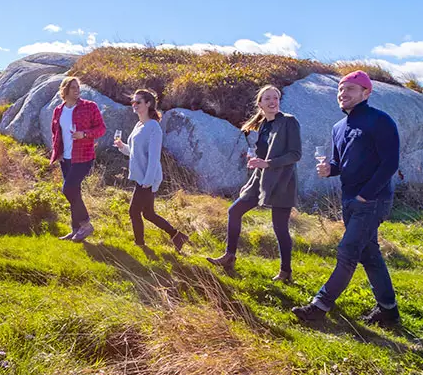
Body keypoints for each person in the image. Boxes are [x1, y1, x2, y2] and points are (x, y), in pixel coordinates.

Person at [292, 70, 401, 326]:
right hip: (349, 199)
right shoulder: (338, 127)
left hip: (372, 200)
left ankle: (319, 306)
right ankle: (389, 311)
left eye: (350, 89)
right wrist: (330, 169)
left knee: (347, 252)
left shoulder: (381, 121)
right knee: (369, 254)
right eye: (340, 90)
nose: (343, 94)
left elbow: (390, 164)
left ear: (366, 92)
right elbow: (340, 163)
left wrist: (365, 195)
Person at [206, 85, 301, 282]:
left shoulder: (289, 122)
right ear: (260, 104)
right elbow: (261, 157)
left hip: (283, 181)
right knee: (234, 211)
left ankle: (286, 272)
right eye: (267, 99)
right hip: (260, 179)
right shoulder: (264, 125)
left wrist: (268, 163)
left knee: (280, 227)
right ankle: (229, 256)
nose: (272, 101)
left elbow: (295, 154)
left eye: (275, 98)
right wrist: (250, 182)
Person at [114, 89, 189, 252]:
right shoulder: (139, 125)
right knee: (148, 213)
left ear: (148, 104)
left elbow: (154, 157)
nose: (134, 105)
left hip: (148, 178)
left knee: (134, 212)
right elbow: (134, 151)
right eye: (133, 102)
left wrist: (148, 181)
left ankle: (140, 245)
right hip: (140, 176)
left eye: (138, 102)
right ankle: (177, 236)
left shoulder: (153, 127)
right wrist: (122, 147)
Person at [50, 76, 106, 242]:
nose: (77, 90)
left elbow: (101, 129)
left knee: (68, 189)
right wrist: (57, 151)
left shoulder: (89, 107)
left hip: (83, 156)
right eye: (73, 87)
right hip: (65, 158)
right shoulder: (58, 110)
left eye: (78, 87)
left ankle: (86, 224)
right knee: (75, 192)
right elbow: (56, 133)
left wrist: (85, 134)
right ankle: (76, 230)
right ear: (65, 90)